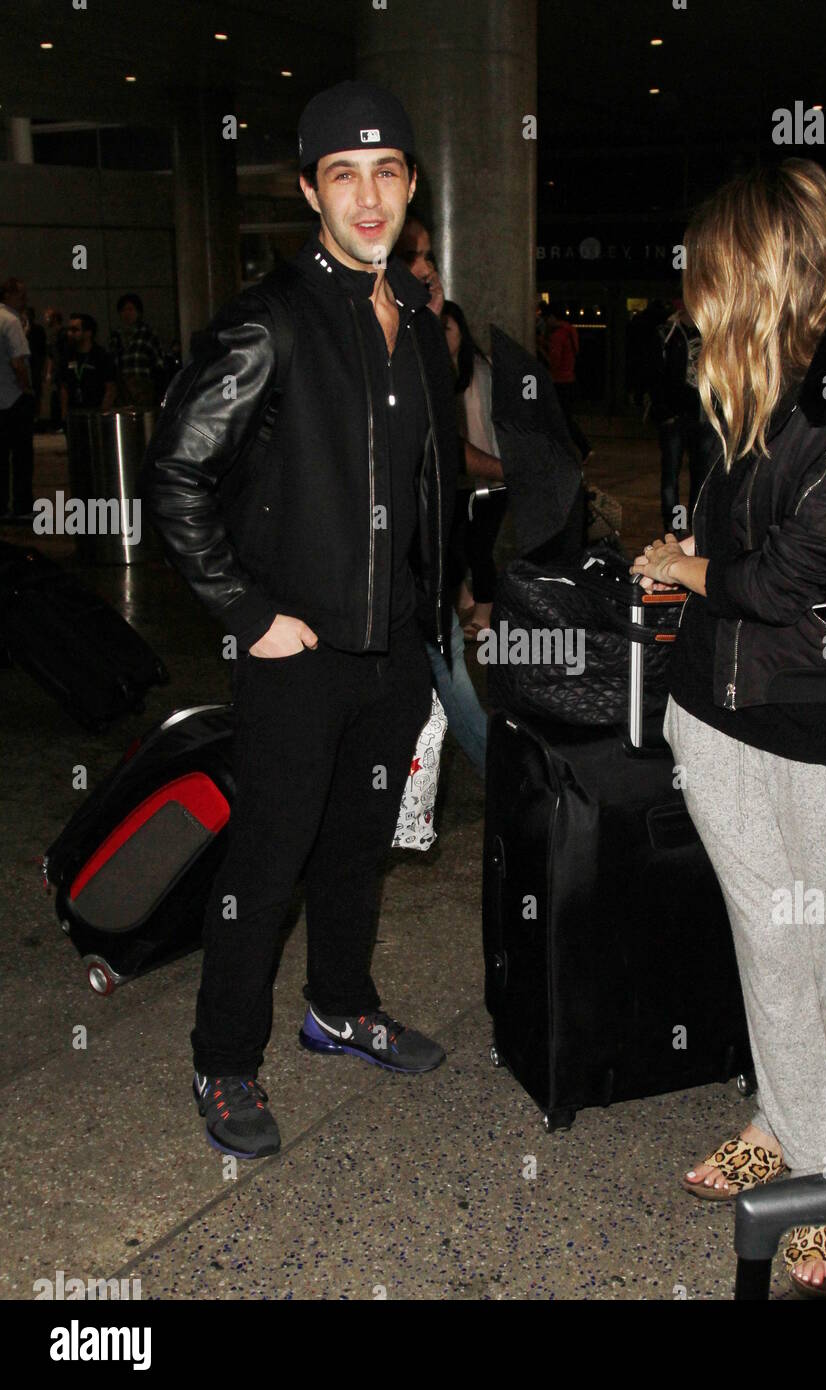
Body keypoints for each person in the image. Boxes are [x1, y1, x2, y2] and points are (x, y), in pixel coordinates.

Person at [632, 160, 826, 1295]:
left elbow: (786, 574)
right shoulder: (745, 376)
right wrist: (688, 567)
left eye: (712, 277)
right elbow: (740, 567)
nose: (696, 301)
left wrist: (686, 563)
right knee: (770, 937)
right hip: (713, 707)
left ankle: (773, 1119)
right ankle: (816, 1181)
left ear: (769, 272)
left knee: (824, 949)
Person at [141, 80, 460, 1159]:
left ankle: (339, 1007)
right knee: (265, 867)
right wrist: (248, 611)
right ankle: (224, 1060)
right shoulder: (268, 319)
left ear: (411, 186)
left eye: (386, 174)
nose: (367, 198)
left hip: (393, 650)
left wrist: (443, 594)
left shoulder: (416, 312)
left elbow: (426, 476)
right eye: (343, 176)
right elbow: (175, 473)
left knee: (356, 851)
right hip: (299, 653)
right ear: (310, 191)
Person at [394, 220, 493, 777]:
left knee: (445, 661)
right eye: (414, 257)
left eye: (429, 256)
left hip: (421, 555)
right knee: (439, 665)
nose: (429, 270)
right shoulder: (385, 342)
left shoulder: (419, 337)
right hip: (391, 562)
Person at [442, 299, 507, 642]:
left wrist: (499, 469)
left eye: (446, 328)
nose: (440, 335)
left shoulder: (480, 371)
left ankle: (486, 615)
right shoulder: (443, 372)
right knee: (455, 546)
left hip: (489, 481)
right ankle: (466, 597)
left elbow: (482, 431)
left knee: (479, 548)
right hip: (462, 481)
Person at [650, 300, 713, 534]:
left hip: (703, 415)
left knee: (701, 475)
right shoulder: (668, 333)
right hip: (676, 416)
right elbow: (656, 375)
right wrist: (664, 412)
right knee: (671, 475)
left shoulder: (709, 331)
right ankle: (675, 528)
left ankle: (695, 527)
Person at [0, 277, 35, 522]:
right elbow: (17, 361)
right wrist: (27, 388)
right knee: (22, 456)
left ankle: (1, 507)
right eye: (22, 295)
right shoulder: (11, 321)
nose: (25, 300)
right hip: (13, 397)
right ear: (10, 295)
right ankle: (22, 506)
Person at [544, 303, 591, 461]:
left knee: (561, 419)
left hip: (559, 381)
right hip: (570, 378)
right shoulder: (571, 331)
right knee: (565, 418)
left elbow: (554, 361)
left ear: (552, 317)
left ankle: (582, 447)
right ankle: (579, 448)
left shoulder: (557, 336)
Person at [109, 293, 164, 411]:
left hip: (143, 387)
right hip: (123, 390)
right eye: (123, 310)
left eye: (130, 309)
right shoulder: (116, 336)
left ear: (138, 312)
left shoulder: (148, 333)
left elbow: (158, 364)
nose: (127, 314)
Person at [59, 314, 117, 418]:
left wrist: (102, 414)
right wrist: (64, 413)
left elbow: (110, 388)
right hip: (73, 414)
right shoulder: (67, 356)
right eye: (69, 330)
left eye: (75, 330)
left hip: (95, 413)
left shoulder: (101, 356)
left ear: (88, 333)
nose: (70, 333)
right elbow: (63, 387)